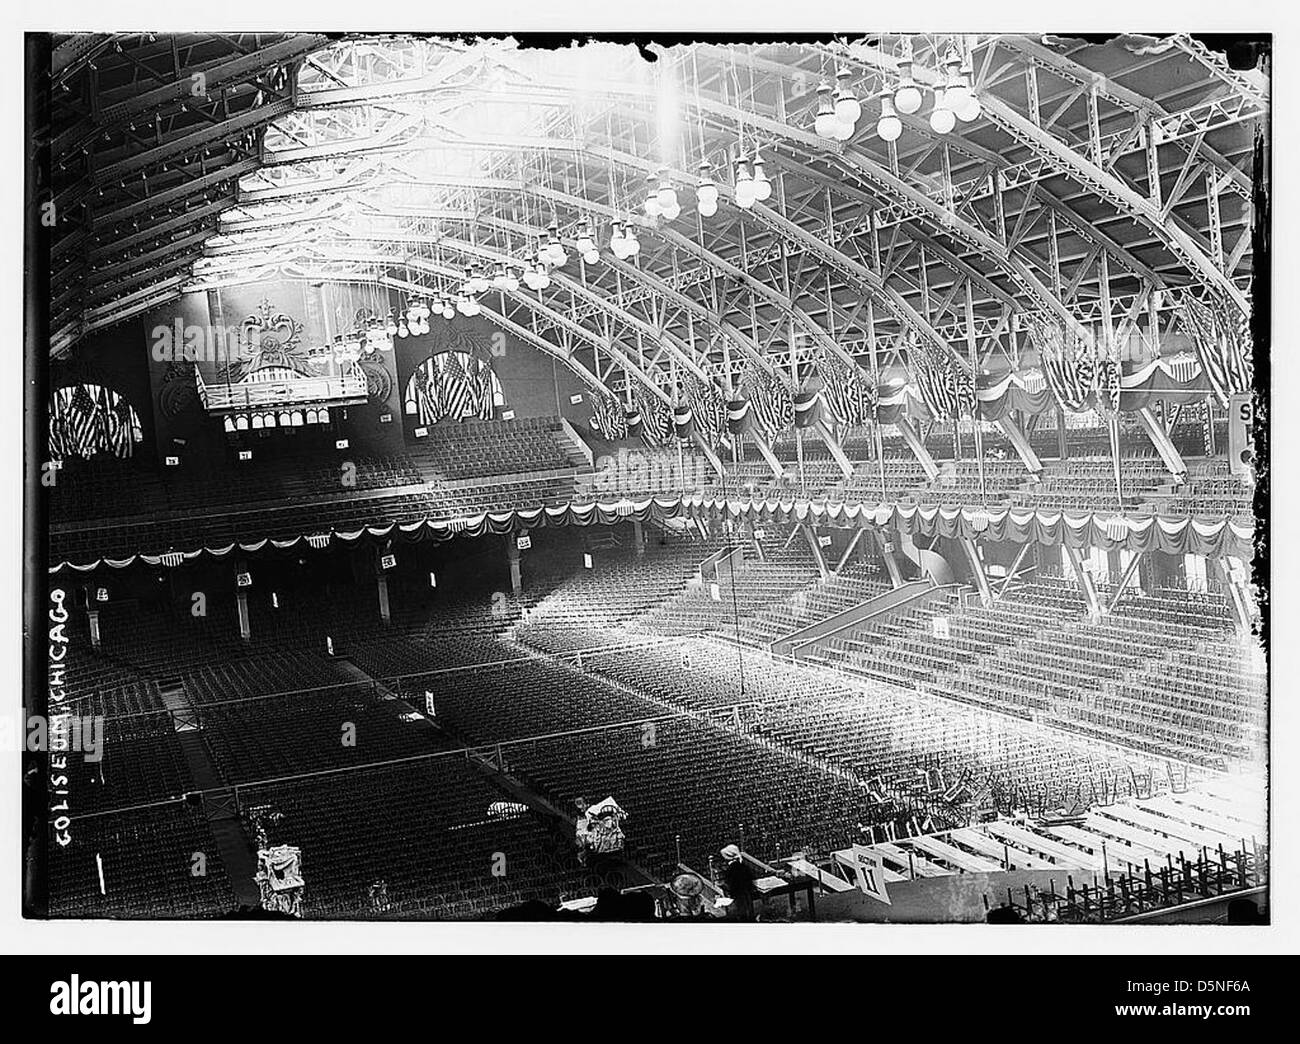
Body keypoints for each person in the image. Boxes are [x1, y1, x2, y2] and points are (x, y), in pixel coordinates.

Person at [719, 844, 756, 922]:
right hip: (747, 894)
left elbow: (731, 885)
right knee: (749, 910)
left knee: (741, 913)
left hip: (738, 895)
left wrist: (723, 886)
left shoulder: (731, 869)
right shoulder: (743, 866)